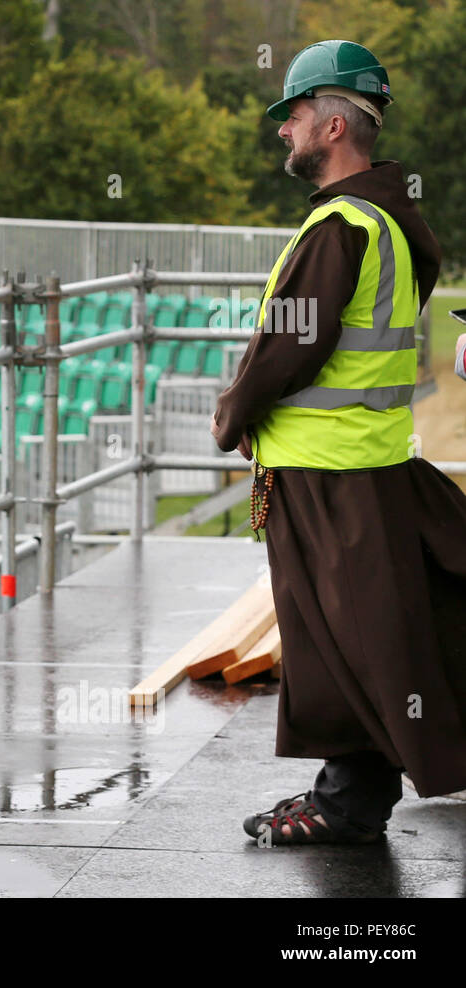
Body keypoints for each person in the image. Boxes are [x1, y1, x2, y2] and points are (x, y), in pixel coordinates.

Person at [209, 39, 466, 844]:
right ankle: (346, 796)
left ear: (333, 127)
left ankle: (348, 805)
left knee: (345, 644)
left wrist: (232, 414)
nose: (284, 129)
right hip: (371, 461)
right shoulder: (398, 223)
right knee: (365, 636)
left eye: (294, 114)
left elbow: (290, 345)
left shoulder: (338, 228)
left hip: (325, 475)